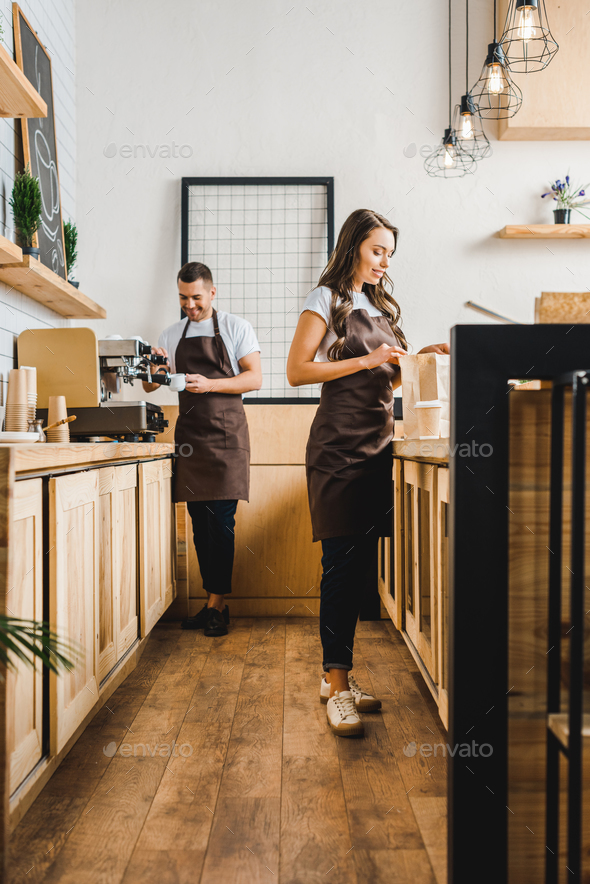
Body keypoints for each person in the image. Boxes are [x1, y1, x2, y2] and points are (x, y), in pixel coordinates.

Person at [287, 209, 449, 737]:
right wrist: (364, 360)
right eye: (378, 251)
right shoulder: (326, 300)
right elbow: (297, 371)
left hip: (378, 446)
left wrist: (419, 357)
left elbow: (390, 379)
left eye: (389, 255)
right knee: (340, 564)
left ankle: (337, 675)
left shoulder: (380, 308)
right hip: (337, 449)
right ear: (354, 245)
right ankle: (336, 688)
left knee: (357, 571)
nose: (384, 262)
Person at [143, 261, 262, 636]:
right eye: (183, 297)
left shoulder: (235, 327)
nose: (189, 305)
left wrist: (209, 384)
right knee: (198, 525)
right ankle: (213, 604)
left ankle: (217, 605)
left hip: (226, 440)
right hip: (191, 439)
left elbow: (254, 378)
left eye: (196, 297)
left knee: (221, 525)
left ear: (212, 293)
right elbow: (151, 387)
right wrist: (155, 367)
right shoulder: (172, 333)